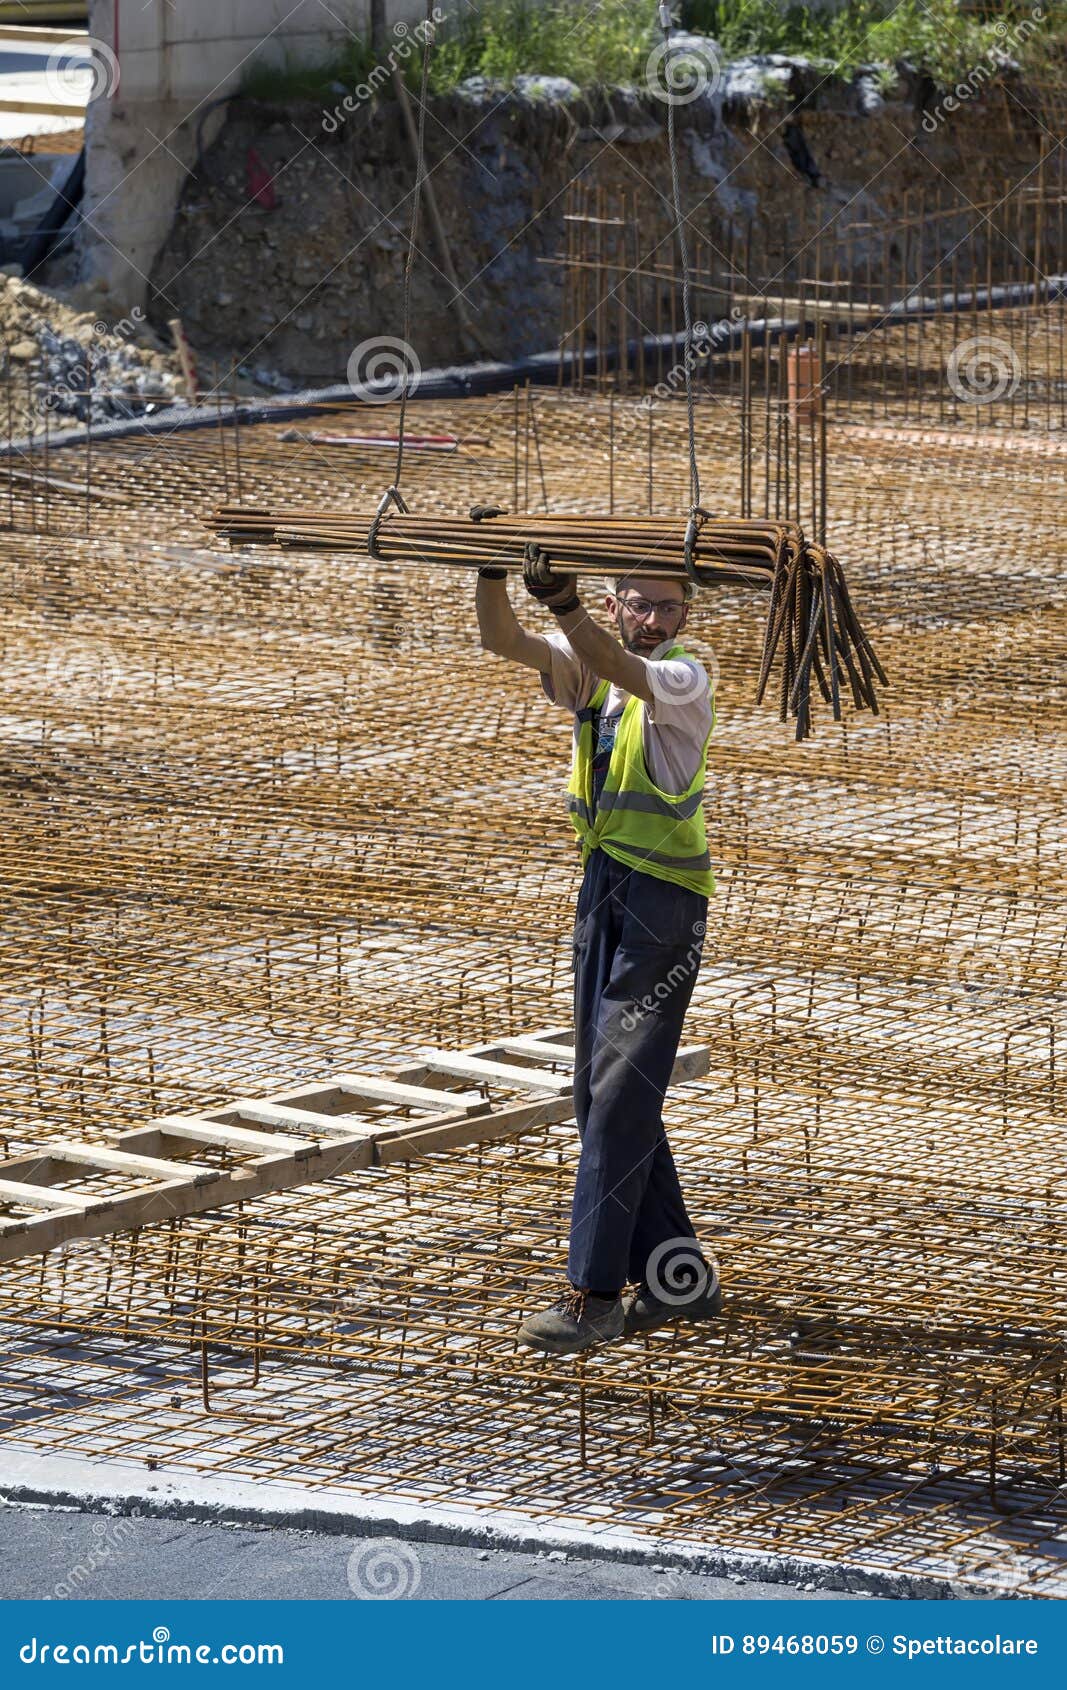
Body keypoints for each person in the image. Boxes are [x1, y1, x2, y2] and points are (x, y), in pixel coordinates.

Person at [475, 549, 722, 1356]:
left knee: (616, 1101)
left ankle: (593, 1295)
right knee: (598, 1095)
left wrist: (566, 607)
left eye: (668, 608)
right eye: (640, 605)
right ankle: (677, 1277)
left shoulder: (684, 678)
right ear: (616, 605)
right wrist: (488, 571)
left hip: (662, 907)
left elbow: (612, 657)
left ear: (684, 617)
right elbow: (500, 640)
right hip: (603, 892)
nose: (656, 620)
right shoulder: (594, 680)